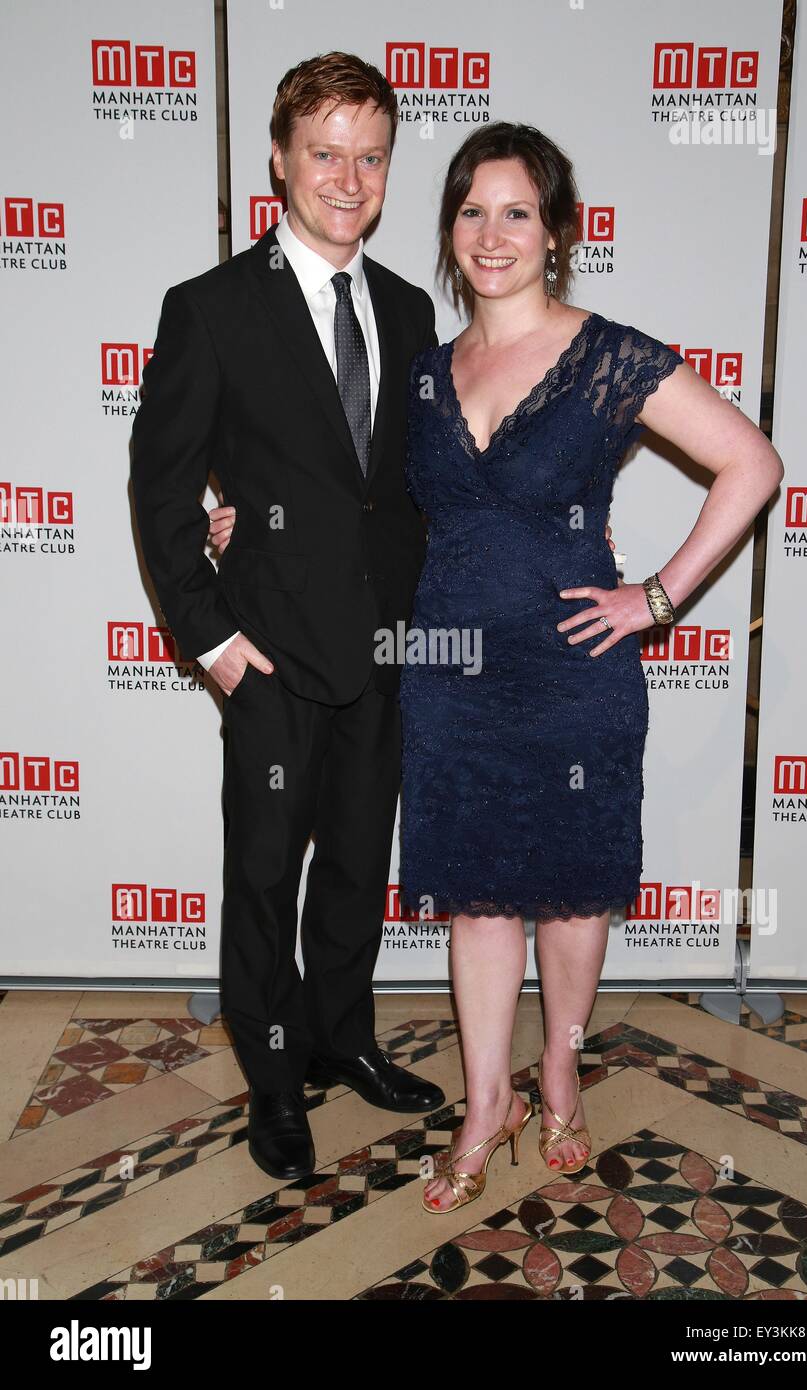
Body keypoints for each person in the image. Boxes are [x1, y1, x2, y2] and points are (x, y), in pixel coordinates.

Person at [397, 122, 784, 1214]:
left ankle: (560, 1077)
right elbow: (365, 509)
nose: (492, 234)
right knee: (477, 902)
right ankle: (487, 1103)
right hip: (450, 674)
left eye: (517, 212)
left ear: (557, 232)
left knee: (570, 900)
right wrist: (246, 524)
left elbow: (751, 462)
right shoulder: (425, 373)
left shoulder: (608, 355)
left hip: (572, 672)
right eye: (471, 211)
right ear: (450, 229)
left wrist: (657, 598)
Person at [130, 52, 447, 1183]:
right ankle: (272, 1079)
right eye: (326, 153)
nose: (349, 180)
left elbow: (402, 486)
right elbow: (162, 490)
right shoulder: (211, 309)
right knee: (265, 881)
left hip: (384, 648)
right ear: (280, 158)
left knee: (358, 865)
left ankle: (342, 1037)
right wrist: (214, 644)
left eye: (371, 157)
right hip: (267, 656)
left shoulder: (409, 309)